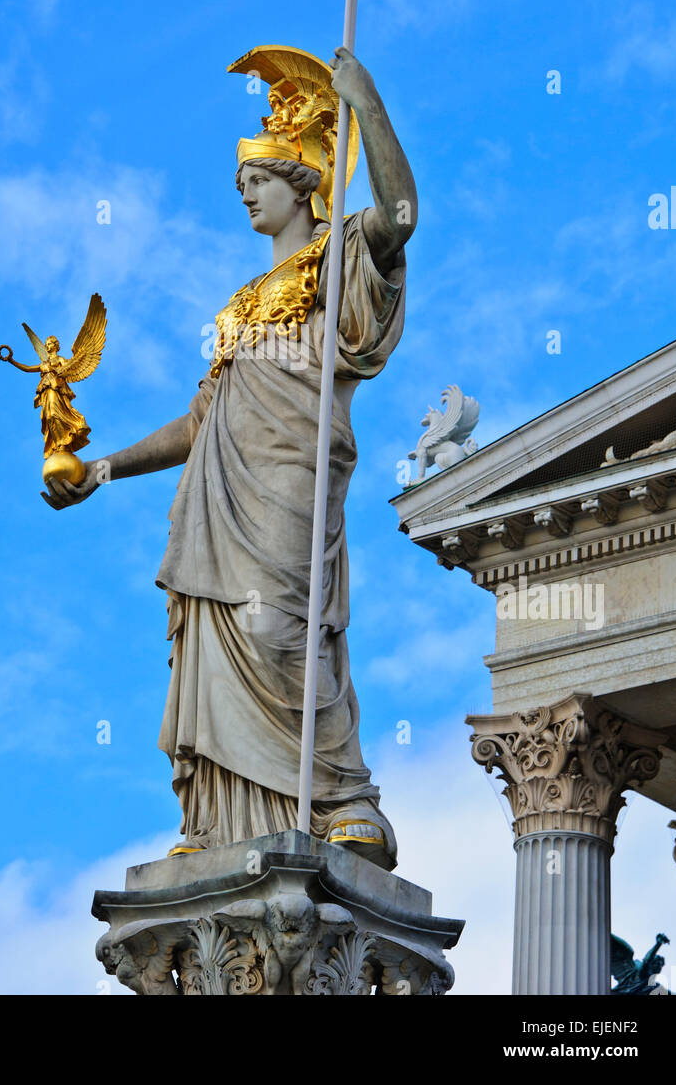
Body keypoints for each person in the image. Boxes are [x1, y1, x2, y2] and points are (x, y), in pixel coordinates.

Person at [43, 44, 417, 870]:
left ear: (304, 182)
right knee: (218, 644)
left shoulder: (341, 255)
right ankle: (227, 823)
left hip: (287, 475)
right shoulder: (238, 307)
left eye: (259, 178)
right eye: (242, 182)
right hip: (217, 495)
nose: (245, 190)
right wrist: (101, 470)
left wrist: (371, 107)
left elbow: (399, 216)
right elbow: (199, 419)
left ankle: (343, 799)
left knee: (283, 630)